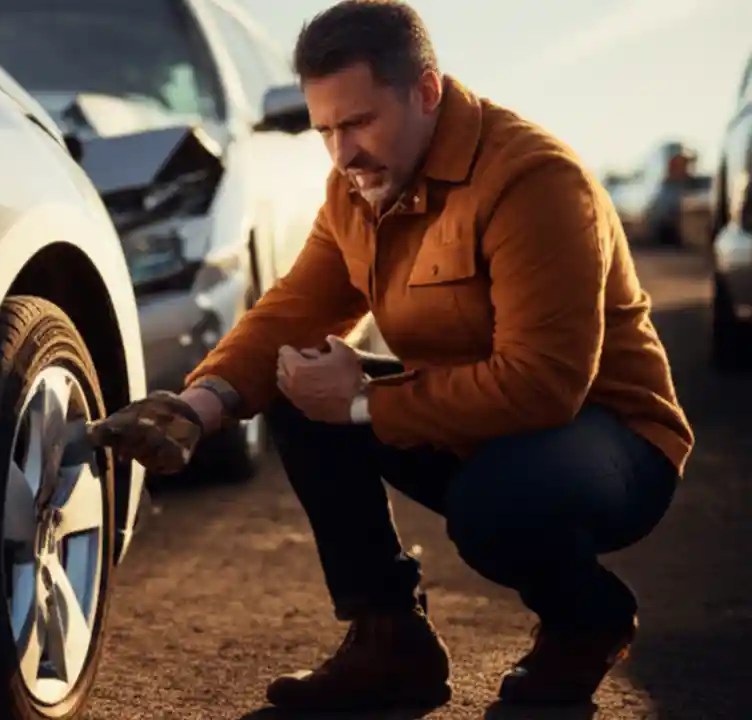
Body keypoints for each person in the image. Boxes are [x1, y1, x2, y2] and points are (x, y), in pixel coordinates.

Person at [87, 0, 694, 711]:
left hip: (608, 441)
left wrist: (360, 403)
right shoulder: (356, 188)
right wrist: (197, 407)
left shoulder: (534, 180)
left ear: (426, 91)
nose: (342, 152)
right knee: (295, 378)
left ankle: (585, 620)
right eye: (325, 130)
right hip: (478, 428)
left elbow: (545, 387)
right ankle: (389, 642)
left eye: (358, 122)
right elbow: (292, 311)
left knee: (494, 506)